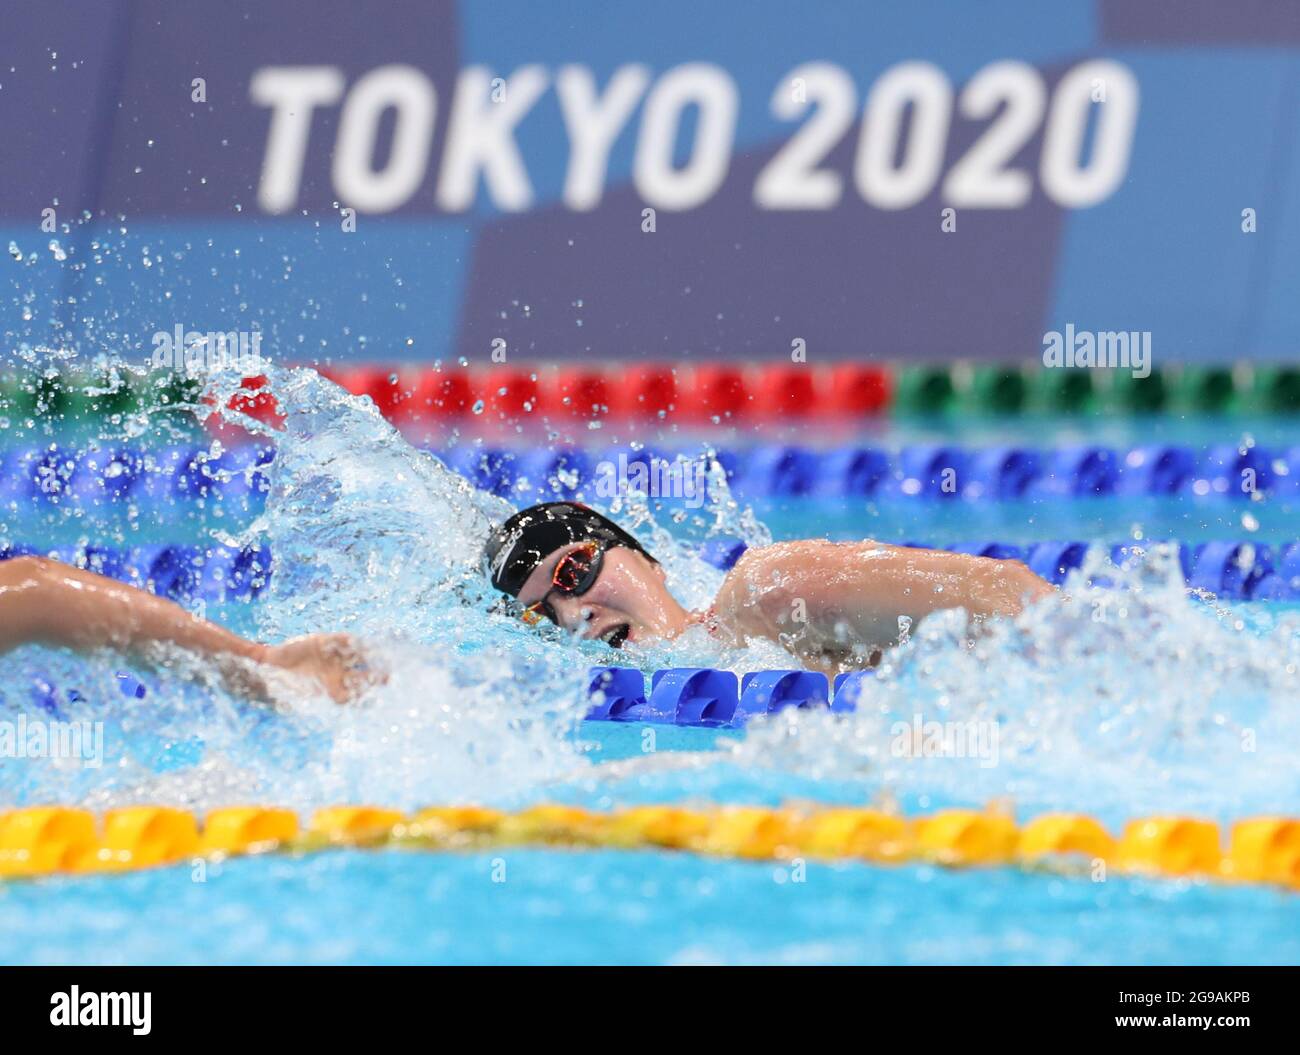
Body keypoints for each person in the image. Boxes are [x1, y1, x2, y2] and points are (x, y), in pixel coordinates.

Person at [485, 502, 1055, 672]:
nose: (574, 612)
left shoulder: (766, 594)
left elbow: (1007, 594)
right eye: (543, 614)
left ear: (646, 559)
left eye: (572, 572)